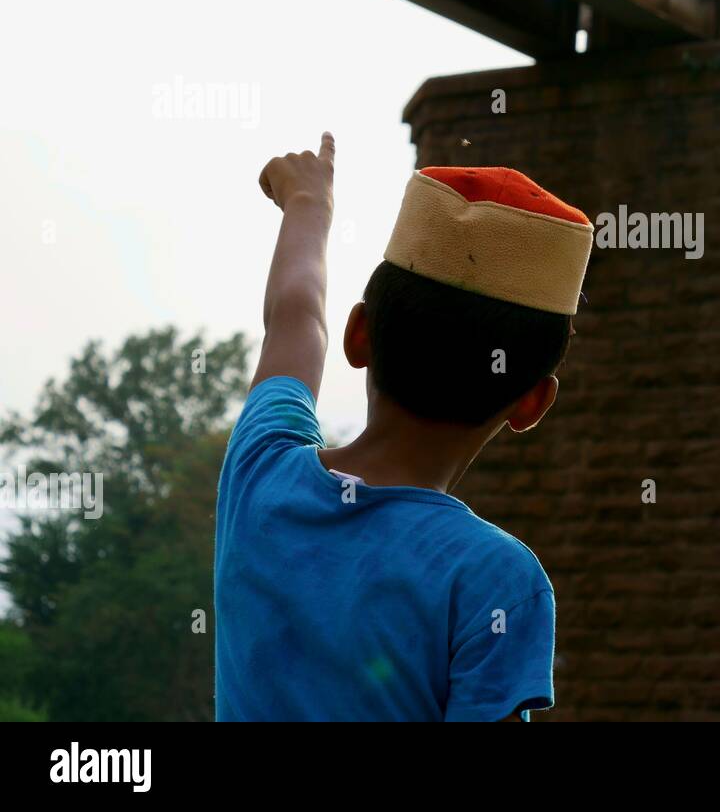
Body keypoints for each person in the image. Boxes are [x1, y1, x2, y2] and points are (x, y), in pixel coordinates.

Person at [214, 134, 593, 721]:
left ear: (360, 334)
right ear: (532, 402)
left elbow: (294, 316)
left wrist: (309, 205)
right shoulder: (495, 580)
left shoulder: (261, 472)